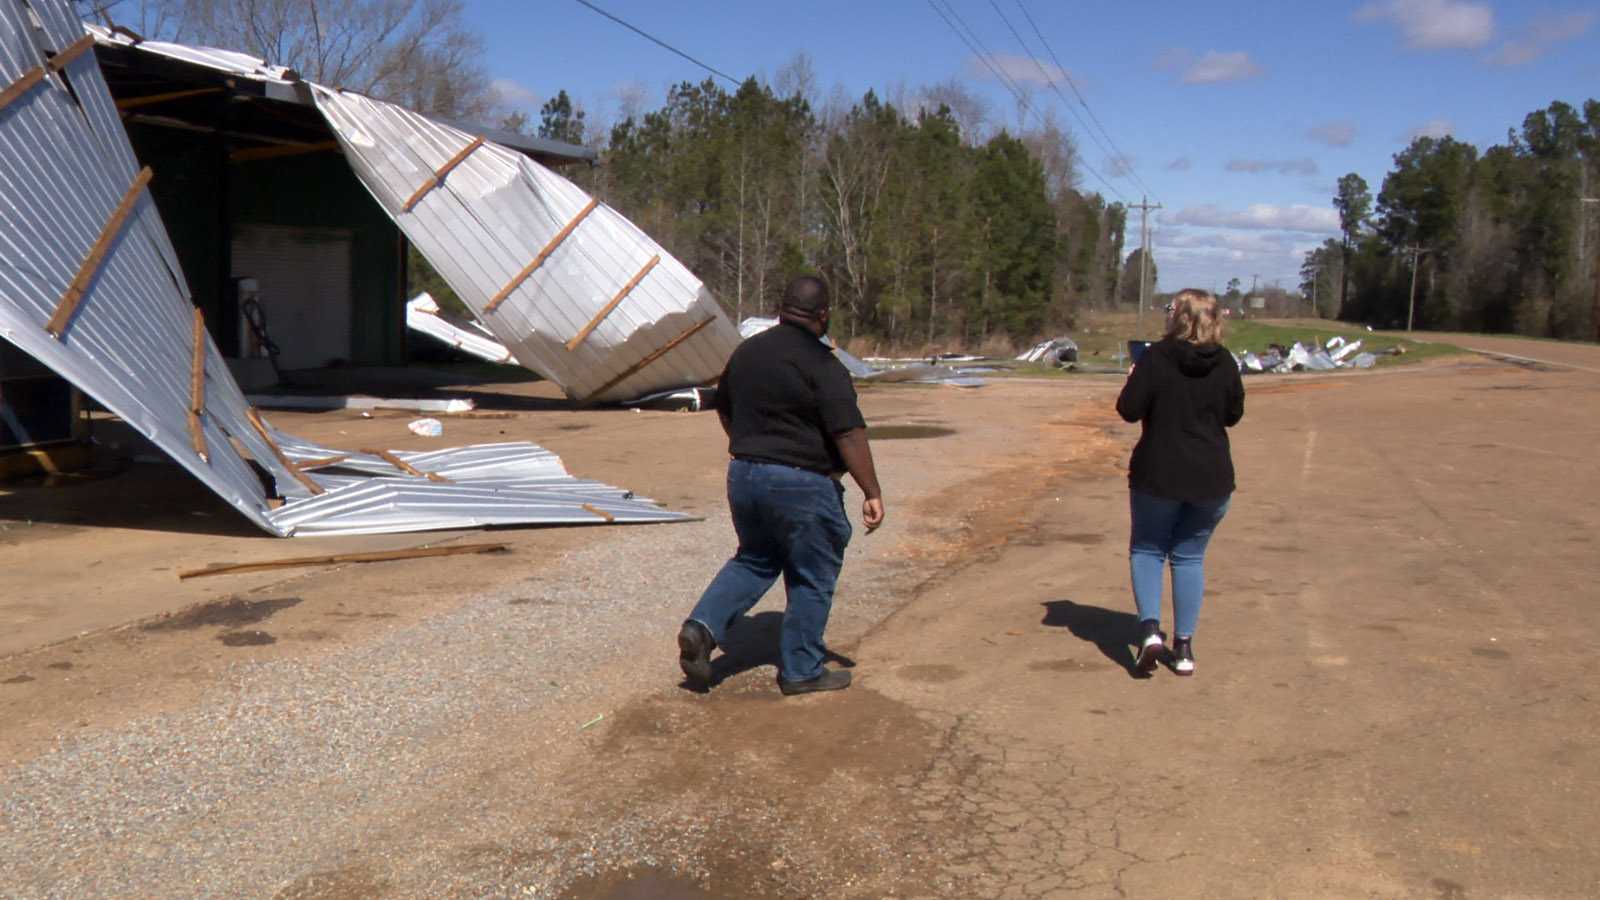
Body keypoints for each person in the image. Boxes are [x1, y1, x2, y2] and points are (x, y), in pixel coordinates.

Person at [677, 276, 885, 695]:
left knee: (754, 558)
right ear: (823, 315)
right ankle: (802, 671)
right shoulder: (823, 364)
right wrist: (871, 490)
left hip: (745, 474)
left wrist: (750, 447)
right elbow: (848, 432)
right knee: (812, 575)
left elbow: (724, 406)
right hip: (803, 484)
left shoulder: (747, 353)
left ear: (781, 308)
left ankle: (702, 627)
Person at [1115, 288, 1244, 676]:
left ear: (1178, 318)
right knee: (1189, 557)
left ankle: (1150, 630)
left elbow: (1128, 410)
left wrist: (1135, 378)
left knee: (1148, 550)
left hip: (1159, 473)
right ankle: (1184, 648)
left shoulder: (1155, 358)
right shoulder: (1225, 362)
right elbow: (1233, 415)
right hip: (1212, 477)